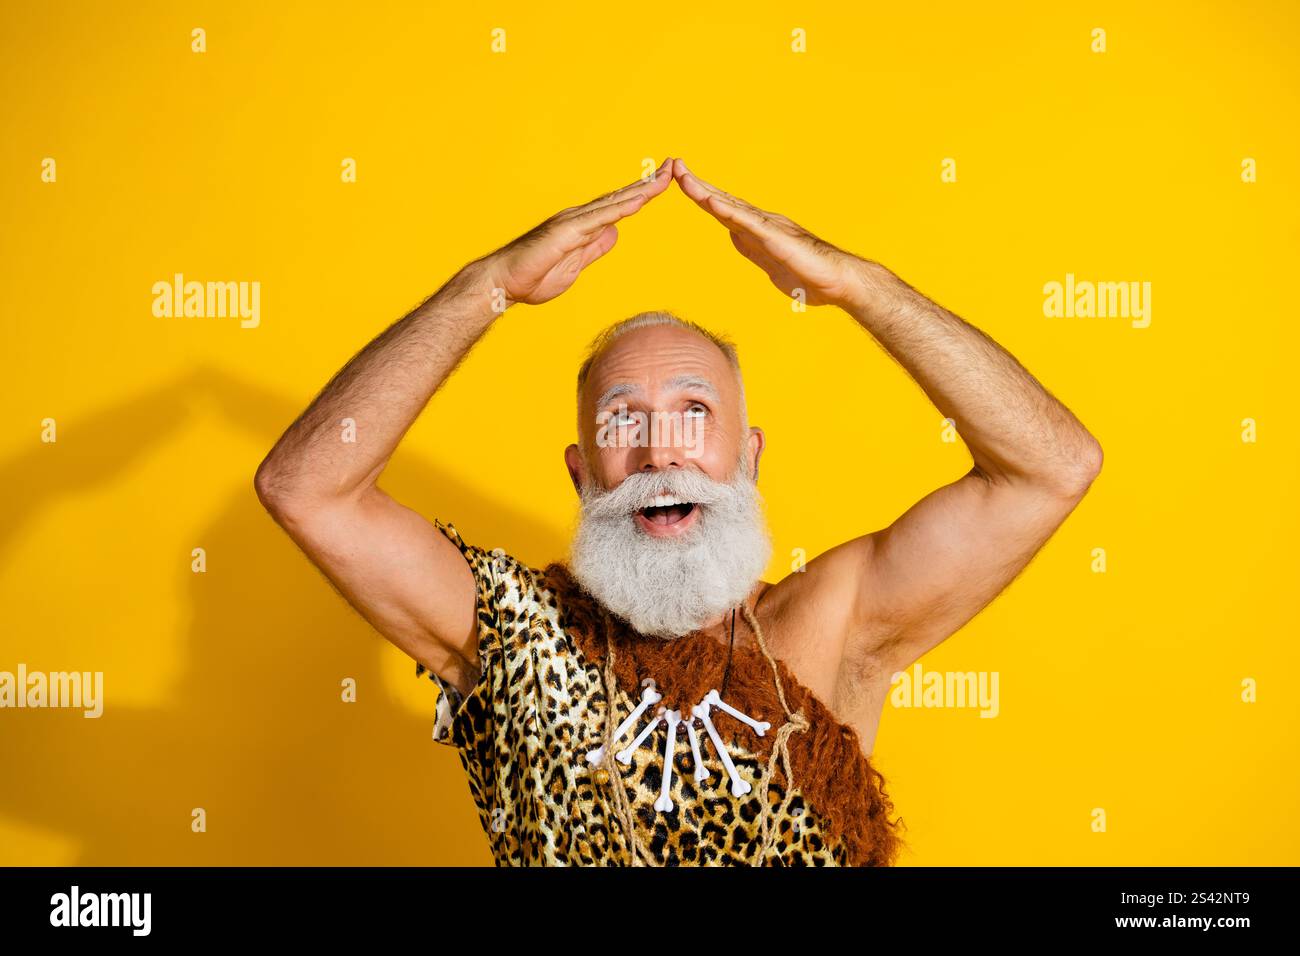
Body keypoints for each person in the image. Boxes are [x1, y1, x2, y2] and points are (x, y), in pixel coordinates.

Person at [254, 157, 1102, 866]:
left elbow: (1050, 467)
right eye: (624, 420)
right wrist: (486, 288)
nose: (661, 453)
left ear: (751, 458)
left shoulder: (837, 620)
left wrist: (862, 288)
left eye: (695, 415)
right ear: (583, 474)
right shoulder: (509, 630)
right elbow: (305, 489)